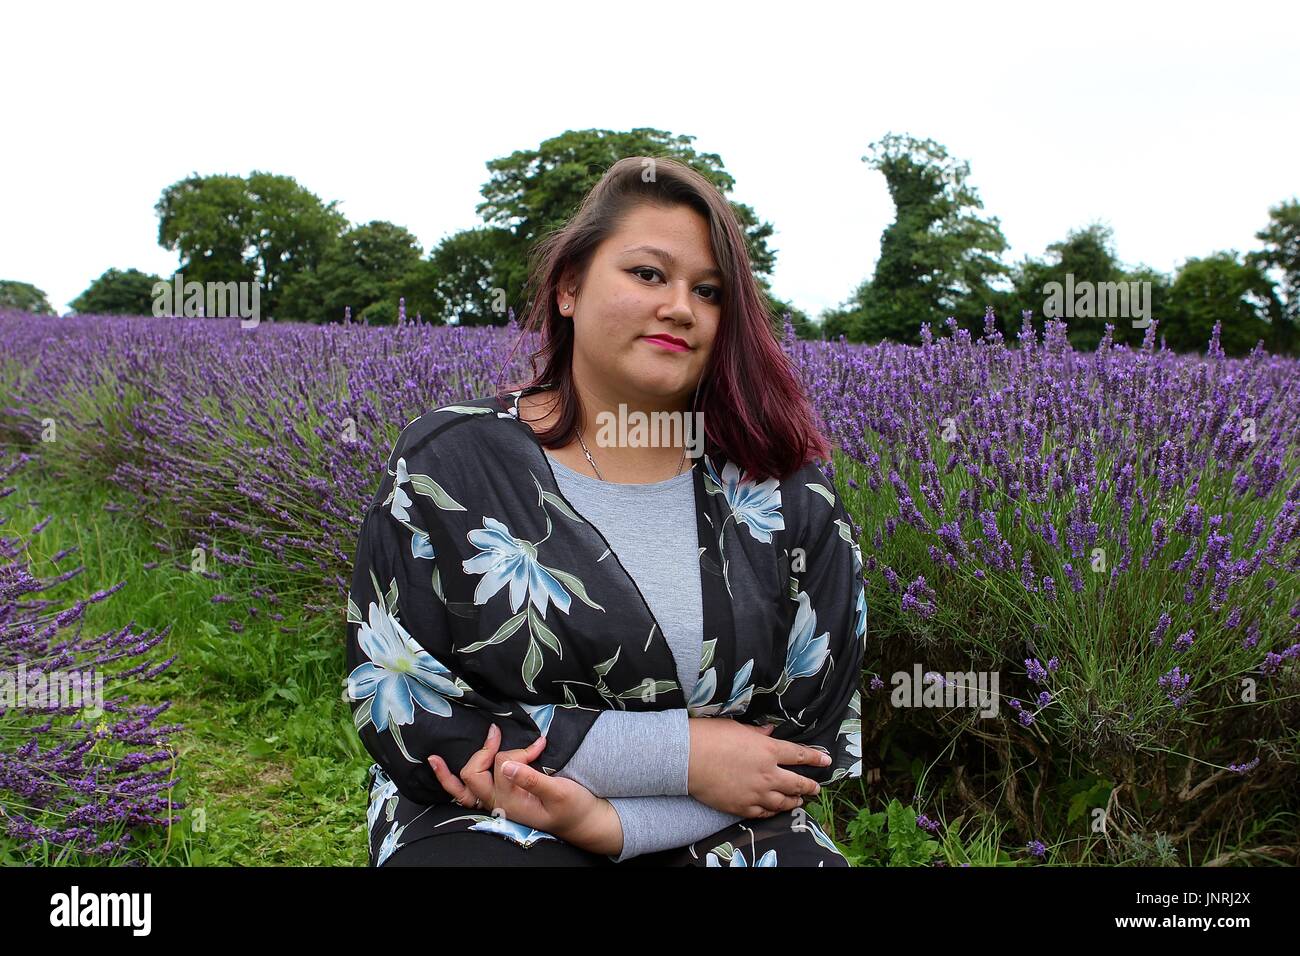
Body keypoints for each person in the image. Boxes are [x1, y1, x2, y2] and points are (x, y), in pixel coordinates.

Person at [346, 156, 866, 867]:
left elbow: (802, 747)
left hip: (715, 826)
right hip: (493, 812)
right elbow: (404, 701)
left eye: (709, 291)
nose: (681, 307)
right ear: (568, 287)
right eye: (648, 274)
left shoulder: (785, 493)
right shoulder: (450, 464)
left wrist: (614, 828)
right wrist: (681, 755)